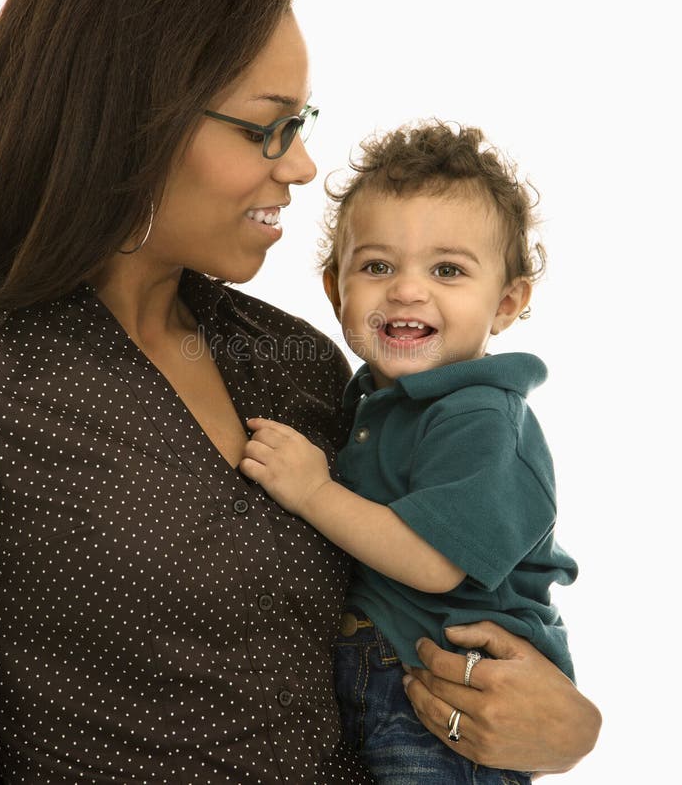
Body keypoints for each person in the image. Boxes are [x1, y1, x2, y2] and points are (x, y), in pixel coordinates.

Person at [0, 0, 600, 785]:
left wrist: (560, 728)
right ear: (133, 123)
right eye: (268, 126)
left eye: (303, 125)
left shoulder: (292, 362)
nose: (300, 165)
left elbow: (423, 599)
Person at [240, 120, 585, 783]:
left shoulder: (481, 414)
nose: (406, 289)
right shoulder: (373, 401)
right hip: (382, 682)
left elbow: (432, 564)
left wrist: (313, 492)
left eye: (448, 270)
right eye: (377, 266)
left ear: (507, 303)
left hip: (442, 698)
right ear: (336, 290)